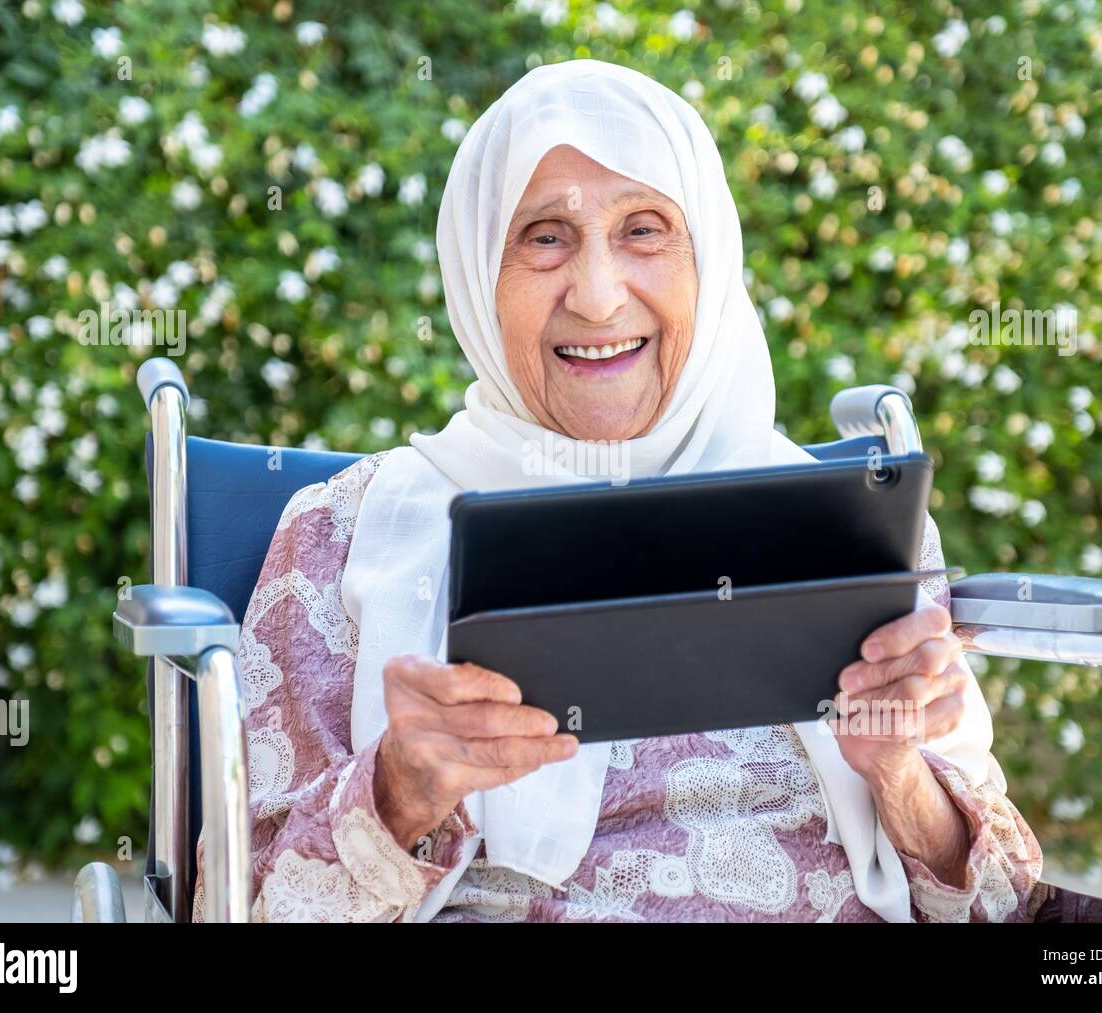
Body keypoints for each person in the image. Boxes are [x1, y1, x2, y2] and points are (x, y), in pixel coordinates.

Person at [193, 58, 1044, 923]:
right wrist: (399, 788)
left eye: (644, 230)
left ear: (708, 258)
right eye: (544, 237)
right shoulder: (345, 533)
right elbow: (245, 908)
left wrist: (900, 776)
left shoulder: (848, 530)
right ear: (478, 274)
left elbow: (1007, 911)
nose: (598, 298)